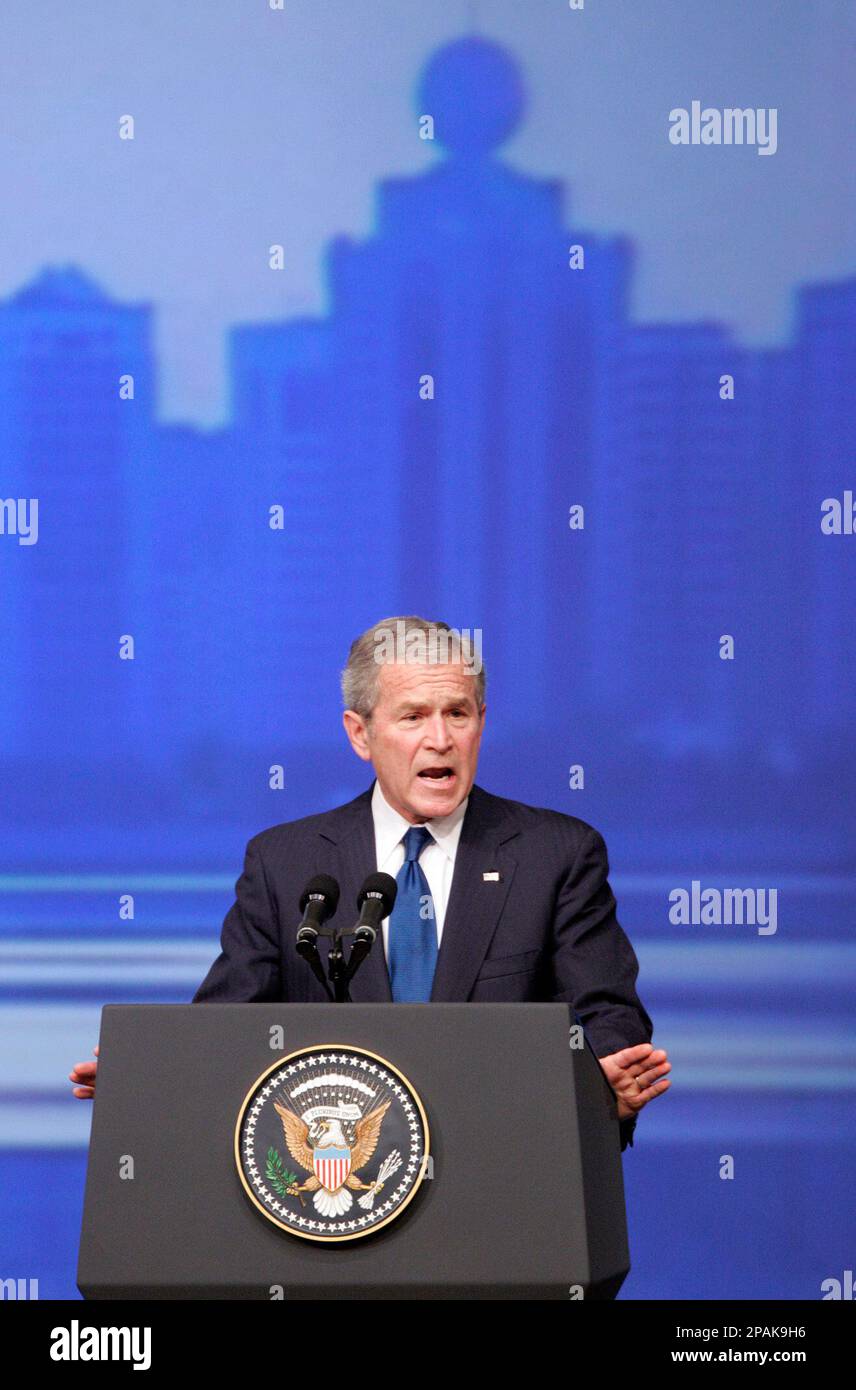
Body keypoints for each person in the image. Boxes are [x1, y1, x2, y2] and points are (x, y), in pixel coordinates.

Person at [70, 615, 670, 1149]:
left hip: (504, 1174)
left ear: (480, 722)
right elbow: (225, 1028)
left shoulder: (556, 854)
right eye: (413, 717)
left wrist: (602, 1078)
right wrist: (149, 1079)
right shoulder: (285, 863)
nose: (441, 739)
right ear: (360, 734)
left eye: (457, 713)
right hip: (335, 1200)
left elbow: (606, 1012)